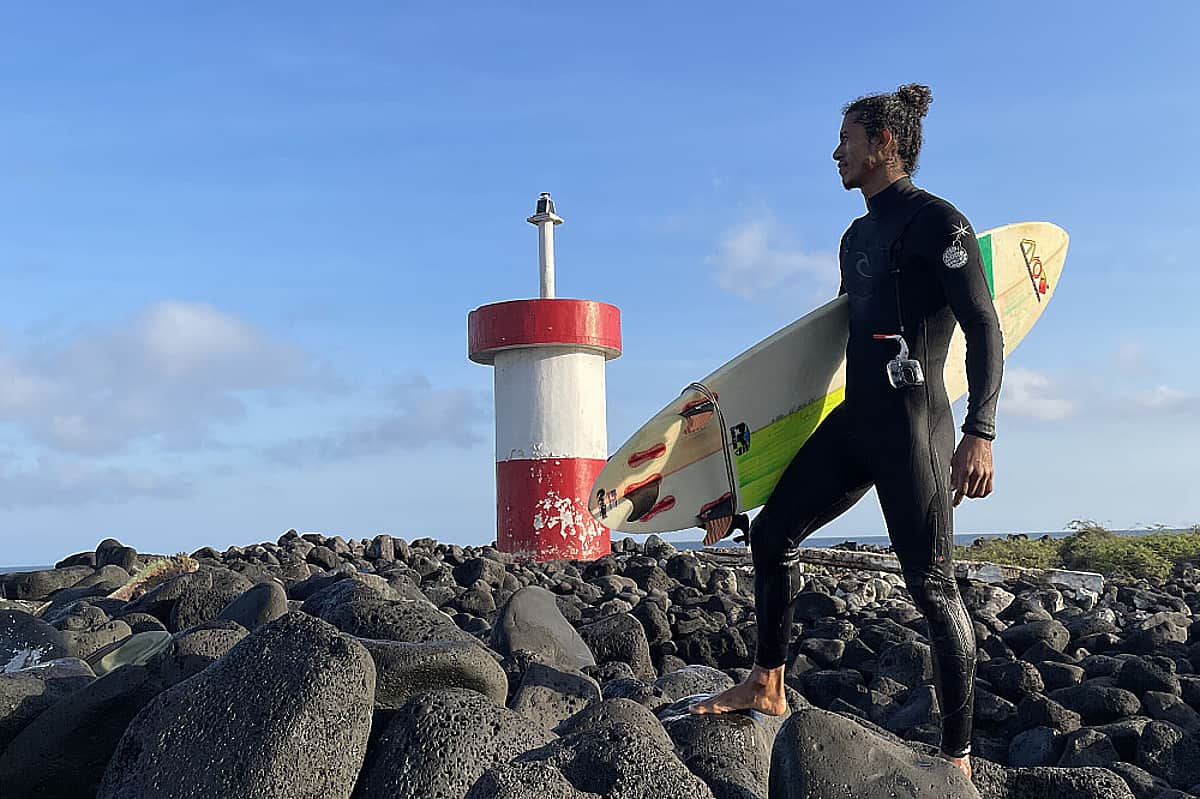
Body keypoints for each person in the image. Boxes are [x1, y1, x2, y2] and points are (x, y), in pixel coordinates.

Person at [689, 83, 1003, 782]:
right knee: (771, 536)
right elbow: (822, 360)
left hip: (916, 427)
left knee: (932, 585)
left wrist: (980, 430)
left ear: (884, 143)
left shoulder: (939, 225)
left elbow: (984, 326)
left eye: (847, 140)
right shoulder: (856, 237)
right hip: (856, 419)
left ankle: (958, 761)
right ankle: (767, 681)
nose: (837, 152)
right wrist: (740, 478)